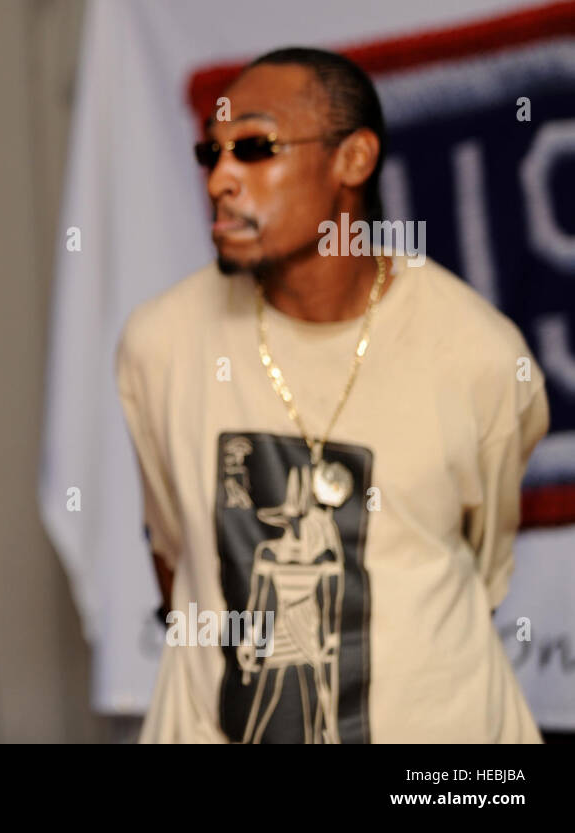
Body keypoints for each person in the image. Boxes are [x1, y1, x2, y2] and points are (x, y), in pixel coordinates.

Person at [115, 47, 547, 743]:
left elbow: (478, 567)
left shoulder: (480, 356)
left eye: (255, 148)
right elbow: (176, 552)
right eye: (211, 153)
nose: (222, 178)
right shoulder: (159, 344)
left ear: (353, 160)